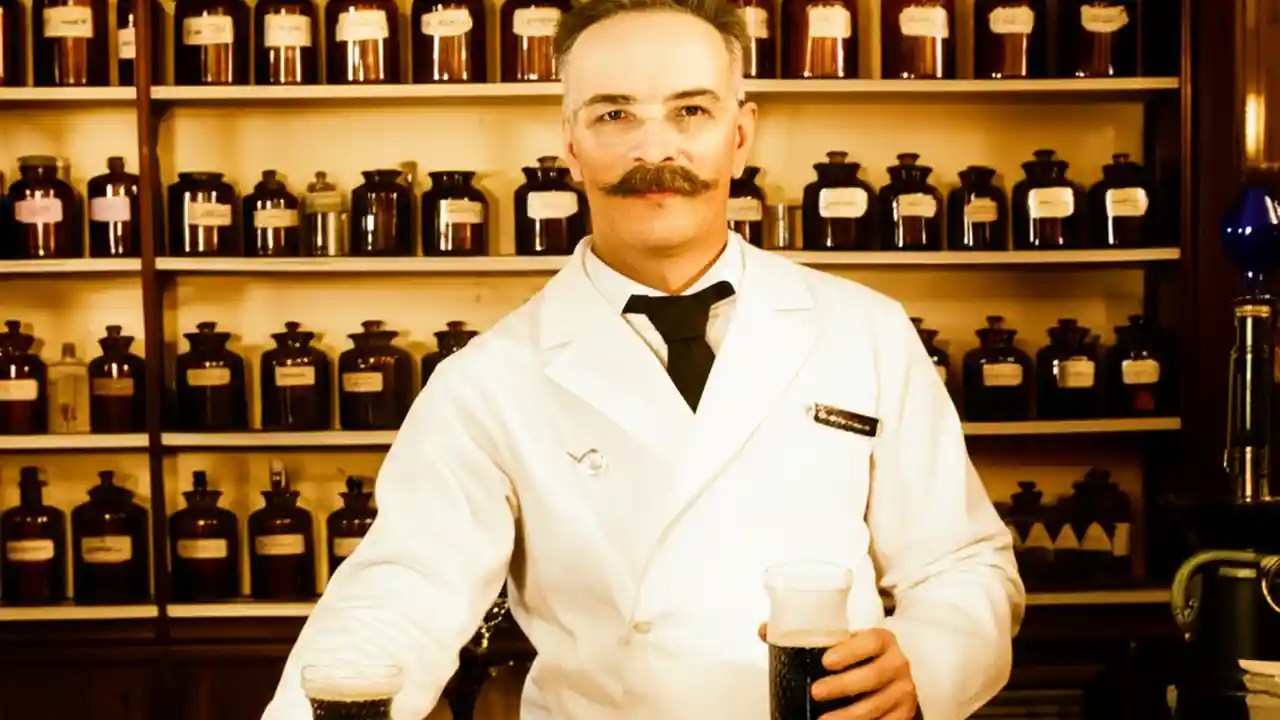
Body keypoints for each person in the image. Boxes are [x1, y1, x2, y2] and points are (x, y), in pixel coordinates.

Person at [262, 0, 1025, 717]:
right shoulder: (488, 379)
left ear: (740, 133)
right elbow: (403, 590)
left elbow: (960, 562)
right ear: (569, 142)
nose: (654, 148)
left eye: (691, 110)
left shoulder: (863, 331)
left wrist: (923, 661)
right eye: (614, 113)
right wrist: (332, 700)